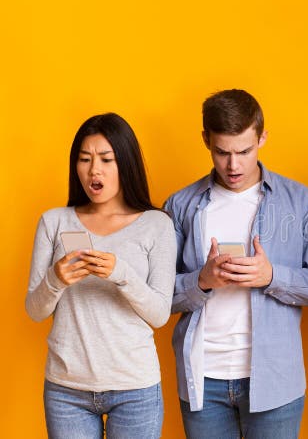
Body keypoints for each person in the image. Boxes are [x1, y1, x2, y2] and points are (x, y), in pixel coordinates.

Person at [164, 89, 308, 438]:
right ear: (205, 139)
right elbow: (158, 298)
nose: (233, 165)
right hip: (203, 381)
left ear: (262, 137)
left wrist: (271, 276)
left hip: (275, 380)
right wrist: (201, 281)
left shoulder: (300, 201)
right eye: (222, 152)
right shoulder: (179, 205)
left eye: (244, 151)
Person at [25, 113, 175, 438]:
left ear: (126, 163)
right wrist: (56, 278)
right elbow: (35, 310)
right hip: (67, 388)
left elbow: (160, 313)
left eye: (106, 159)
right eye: (85, 159)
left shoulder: (157, 224)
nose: (95, 170)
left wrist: (121, 273)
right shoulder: (53, 222)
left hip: (135, 388)